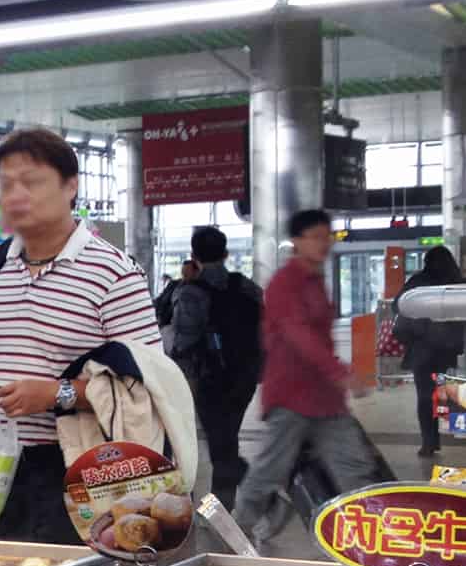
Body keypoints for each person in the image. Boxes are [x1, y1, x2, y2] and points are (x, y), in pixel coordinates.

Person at [0, 128, 161, 543]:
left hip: (84, 465)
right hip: (4, 469)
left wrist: (57, 394)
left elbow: (147, 387)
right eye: (7, 185)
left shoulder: (115, 274)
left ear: (70, 186)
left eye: (32, 182)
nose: (16, 195)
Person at [233, 209, 375, 538]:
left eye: (328, 236)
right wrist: (340, 372)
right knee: (268, 470)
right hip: (291, 397)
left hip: (327, 399)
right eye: (316, 237)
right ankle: (235, 533)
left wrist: (336, 377)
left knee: (355, 466)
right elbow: (300, 336)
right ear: (297, 241)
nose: (324, 243)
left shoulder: (317, 281)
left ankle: (372, 535)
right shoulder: (285, 283)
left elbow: (318, 338)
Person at [171, 226, 263, 511]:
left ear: (194, 254)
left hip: (209, 378)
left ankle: (237, 502)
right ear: (225, 254)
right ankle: (224, 505)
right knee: (226, 439)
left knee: (220, 444)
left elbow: (183, 340)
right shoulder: (246, 285)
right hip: (245, 375)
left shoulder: (191, 292)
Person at [394, 244, 465, 456]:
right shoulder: (457, 283)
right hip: (451, 350)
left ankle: (429, 442)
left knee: (425, 396)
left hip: (423, 349)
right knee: (453, 394)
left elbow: (398, 305)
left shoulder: (418, 282)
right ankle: (459, 437)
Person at [155, 259, 198, 353]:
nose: (184, 275)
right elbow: (160, 300)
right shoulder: (174, 284)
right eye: (183, 272)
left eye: (187, 272)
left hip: (181, 329)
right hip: (166, 323)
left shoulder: (197, 290)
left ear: (196, 273)